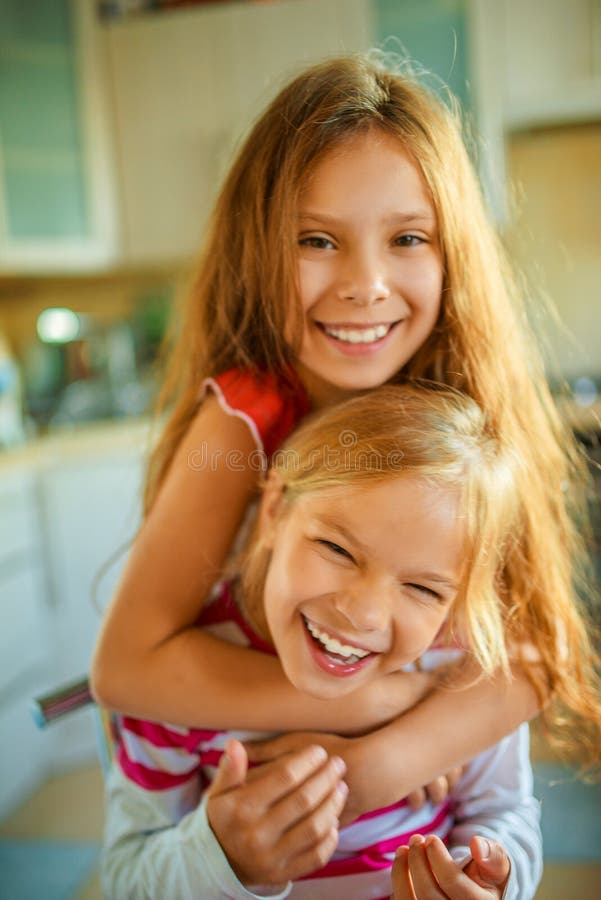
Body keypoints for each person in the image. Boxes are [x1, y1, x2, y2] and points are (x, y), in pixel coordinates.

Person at [92, 54, 600, 823]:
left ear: (452, 253)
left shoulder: (469, 430)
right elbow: (126, 666)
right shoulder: (241, 423)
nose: (365, 283)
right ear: (256, 246)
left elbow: (529, 660)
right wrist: (375, 699)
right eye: (317, 241)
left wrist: (382, 763)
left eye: (407, 238)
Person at [102, 386, 544, 900]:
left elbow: (504, 812)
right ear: (274, 510)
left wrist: (489, 880)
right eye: (336, 548)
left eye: (423, 588)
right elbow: (124, 878)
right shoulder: (171, 691)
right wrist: (221, 856)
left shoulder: (460, 661)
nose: (364, 613)